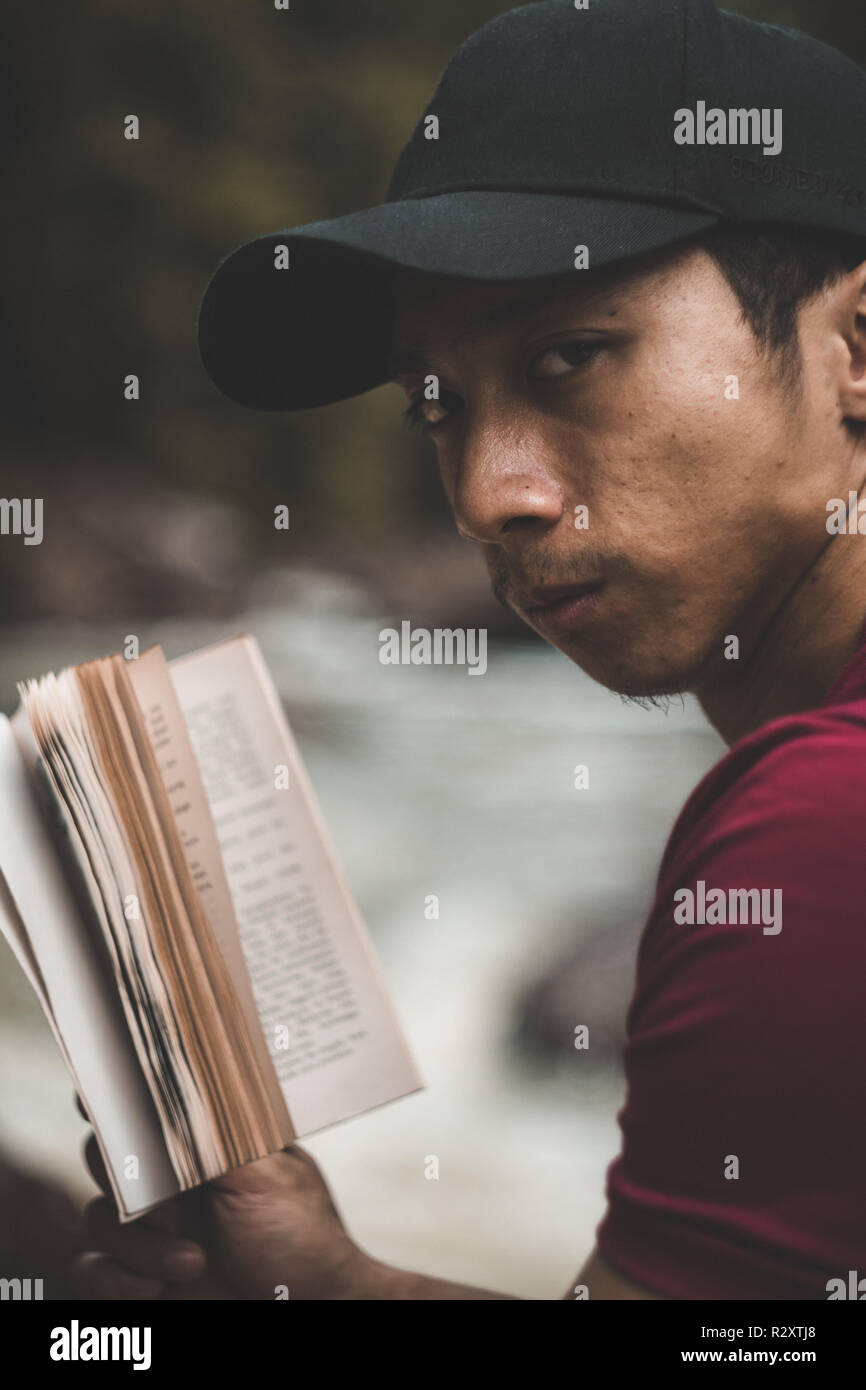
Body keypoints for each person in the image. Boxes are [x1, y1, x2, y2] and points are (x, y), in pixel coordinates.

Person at [73, 0, 866, 1299]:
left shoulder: (819, 822)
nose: (490, 495)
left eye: (568, 354)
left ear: (851, 348)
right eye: (433, 404)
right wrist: (330, 1282)